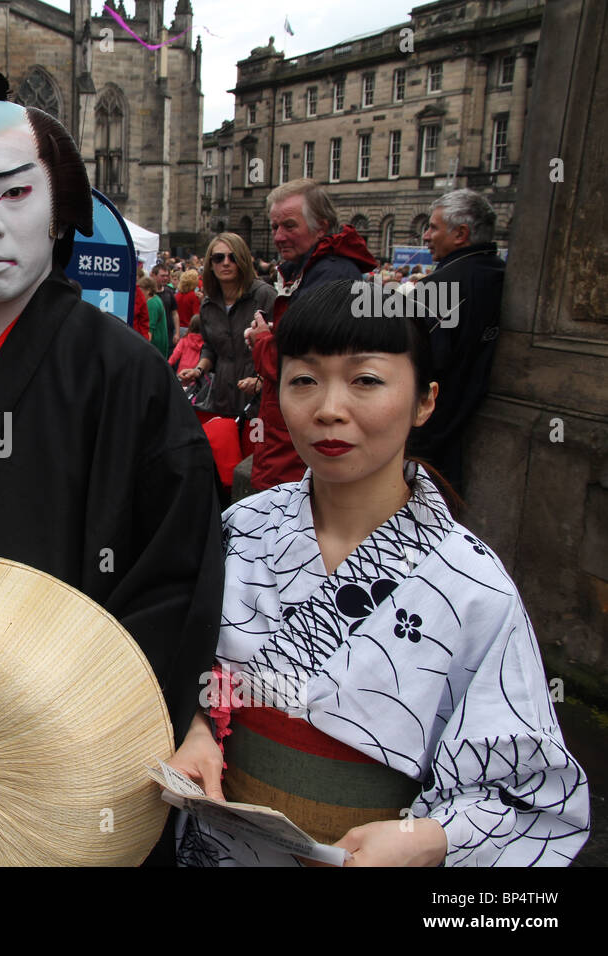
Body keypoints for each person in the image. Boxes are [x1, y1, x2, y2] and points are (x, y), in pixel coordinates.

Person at [0, 97, 225, 863]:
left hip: (66, 743)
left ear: (61, 208)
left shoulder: (126, 374)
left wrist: (104, 708)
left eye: (16, 192)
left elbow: (173, 570)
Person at [172, 279, 589, 867]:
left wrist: (430, 838)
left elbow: (534, 797)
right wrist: (196, 729)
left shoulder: (473, 586)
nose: (329, 408)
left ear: (425, 399)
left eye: (366, 380)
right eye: (303, 380)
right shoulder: (242, 528)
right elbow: (182, 666)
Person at [245, 179, 376, 492]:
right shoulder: (318, 270)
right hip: (291, 437)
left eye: (289, 225)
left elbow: (304, 365)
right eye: (274, 226)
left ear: (322, 226)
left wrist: (263, 339)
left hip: (300, 444)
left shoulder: (330, 274)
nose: (278, 236)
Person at [409, 189, 507, 494]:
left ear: (460, 234)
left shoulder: (436, 289)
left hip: (429, 442)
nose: (426, 235)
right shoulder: (505, 278)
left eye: (433, 227)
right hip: (470, 430)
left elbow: (418, 368)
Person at [177, 233, 275, 422]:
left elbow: (282, 349)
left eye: (233, 257)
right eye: (219, 258)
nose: (226, 263)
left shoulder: (264, 296)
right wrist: (198, 370)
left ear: (243, 260)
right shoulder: (208, 305)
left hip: (257, 402)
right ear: (211, 264)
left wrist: (261, 380)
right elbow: (210, 348)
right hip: (221, 397)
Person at [150, 260, 178, 354]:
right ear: (153, 275)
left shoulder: (169, 292)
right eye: (162, 276)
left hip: (168, 334)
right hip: (153, 335)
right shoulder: (148, 293)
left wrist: (177, 333)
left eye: (167, 276)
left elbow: (174, 313)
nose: (165, 278)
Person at [138, 275, 168, 357]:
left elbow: (149, 330)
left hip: (155, 345)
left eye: (141, 290)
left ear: (148, 290)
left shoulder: (151, 304)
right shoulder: (156, 299)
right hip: (160, 343)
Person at [173, 269, 201, 333]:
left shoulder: (177, 295)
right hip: (188, 330)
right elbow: (196, 317)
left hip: (176, 329)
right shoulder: (194, 296)